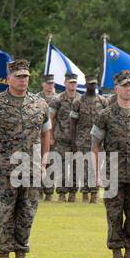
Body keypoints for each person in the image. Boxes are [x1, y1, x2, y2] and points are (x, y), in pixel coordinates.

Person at [0, 58, 52, 258]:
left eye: (26, 77)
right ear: (9, 78)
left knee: (26, 214)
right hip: (5, 169)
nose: (23, 80)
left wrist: (44, 160)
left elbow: (46, 133)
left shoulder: (40, 104)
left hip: (30, 170)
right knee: (4, 213)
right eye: (19, 76)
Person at [91, 70, 130, 258]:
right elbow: (95, 146)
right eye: (124, 85)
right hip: (112, 174)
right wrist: (97, 174)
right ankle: (117, 256)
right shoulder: (105, 115)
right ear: (116, 88)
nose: (128, 89)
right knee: (114, 215)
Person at [48, 72, 81, 201]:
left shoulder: (81, 99)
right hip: (61, 139)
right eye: (70, 82)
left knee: (75, 167)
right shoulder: (57, 99)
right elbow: (50, 118)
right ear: (65, 83)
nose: (73, 85)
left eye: (74, 82)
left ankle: (72, 193)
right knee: (60, 167)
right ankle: (61, 193)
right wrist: (50, 137)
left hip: (77, 140)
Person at [74, 82, 106, 202]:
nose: (92, 87)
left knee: (96, 166)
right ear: (86, 85)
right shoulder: (78, 101)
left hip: (98, 140)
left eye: (94, 84)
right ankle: (84, 193)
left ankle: (94, 193)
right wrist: (73, 140)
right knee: (83, 167)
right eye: (90, 84)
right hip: (82, 139)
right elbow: (73, 122)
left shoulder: (103, 101)